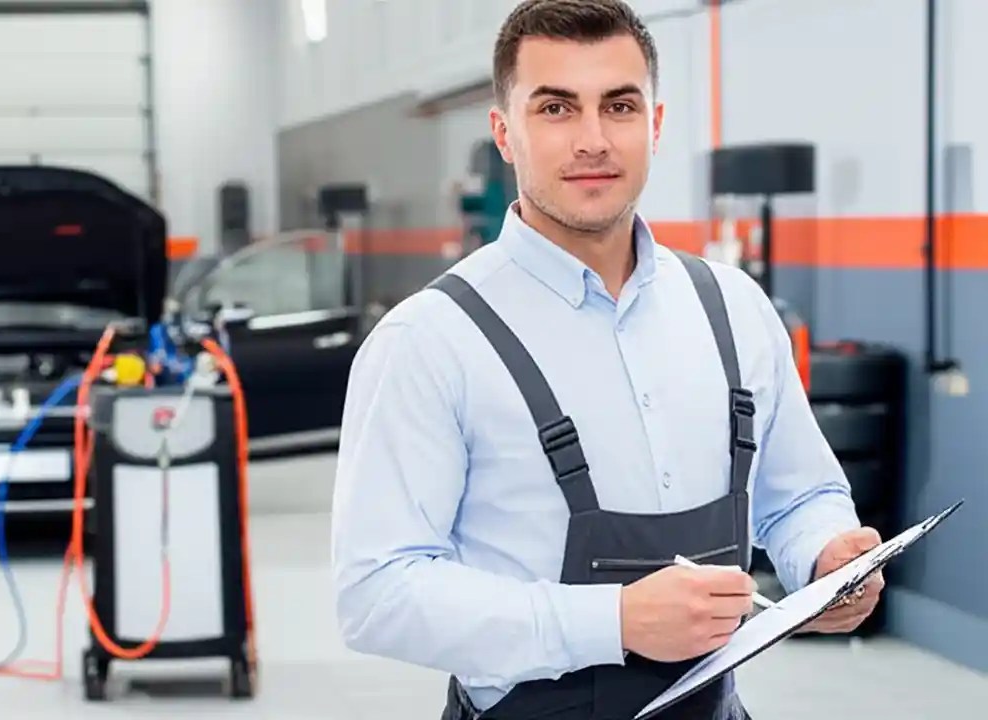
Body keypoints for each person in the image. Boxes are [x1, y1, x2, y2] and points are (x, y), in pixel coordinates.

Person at [329, 1, 885, 719]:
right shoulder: (430, 341)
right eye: (556, 108)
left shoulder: (736, 310)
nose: (593, 140)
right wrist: (613, 622)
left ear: (654, 124)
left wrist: (826, 558)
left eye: (619, 106)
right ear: (505, 133)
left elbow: (800, 494)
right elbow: (375, 593)